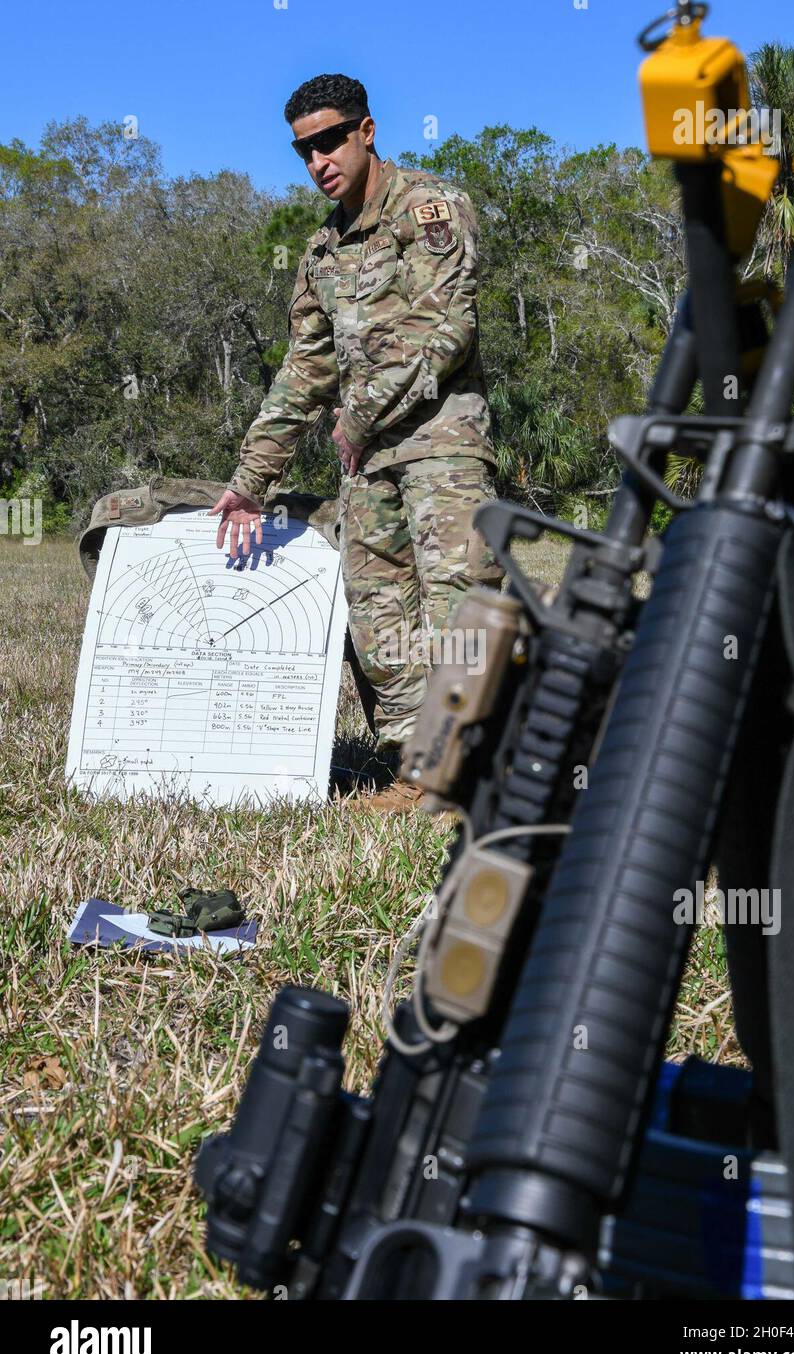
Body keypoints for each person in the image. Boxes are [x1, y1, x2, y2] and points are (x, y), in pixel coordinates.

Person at [209, 73, 504, 810]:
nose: (318, 161)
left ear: (366, 131)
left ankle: (491, 771)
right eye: (304, 150)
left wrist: (362, 414)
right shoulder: (320, 252)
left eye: (330, 141)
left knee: (459, 610)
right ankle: (420, 774)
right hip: (366, 467)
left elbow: (449, 328)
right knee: (379, 619)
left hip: (442, 446)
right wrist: (251, 480)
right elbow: (304, 371)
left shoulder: (431, 208)